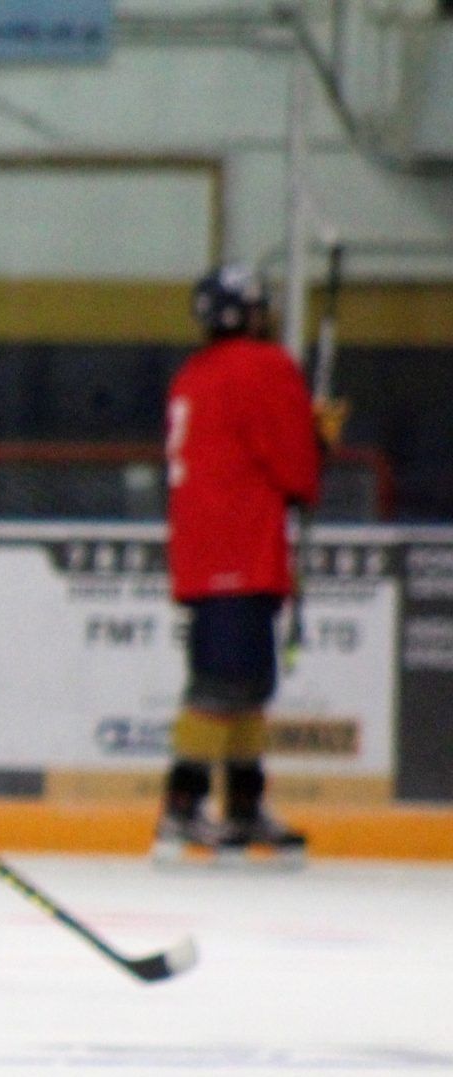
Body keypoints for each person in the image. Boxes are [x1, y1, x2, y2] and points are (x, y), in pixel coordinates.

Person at [155, 264, 338, 865]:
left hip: (206, 551)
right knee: (221, 687)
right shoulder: (265, 367)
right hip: (240, 549)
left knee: (246, 686)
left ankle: (242, 805)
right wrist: (318, 442)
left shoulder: (193, 374)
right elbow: (295, 472)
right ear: (252, 313)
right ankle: (181, 812)